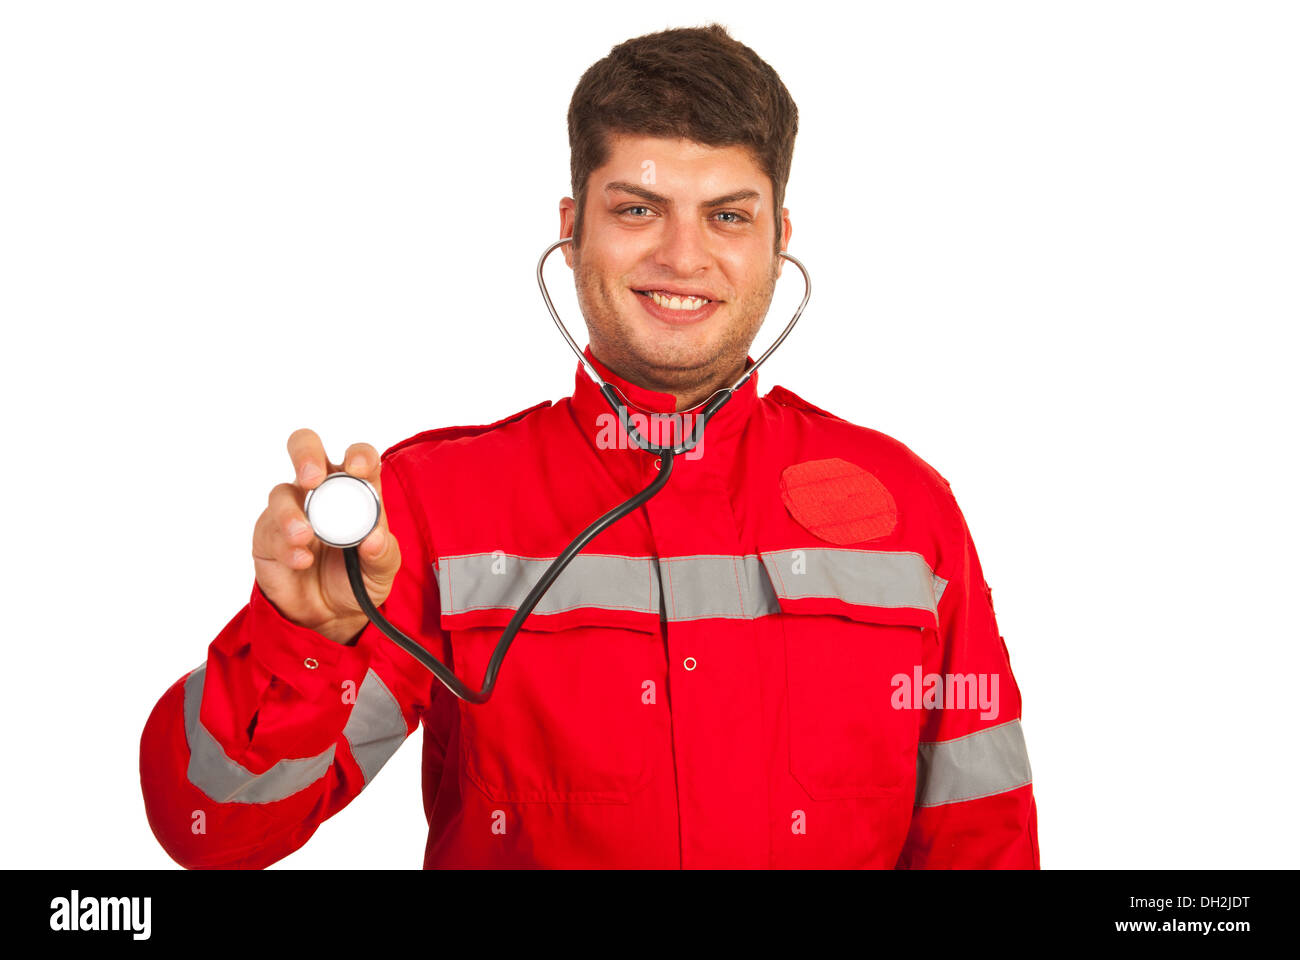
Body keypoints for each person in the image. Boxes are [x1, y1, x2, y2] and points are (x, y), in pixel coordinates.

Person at [139, 22, 1039, 869]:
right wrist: (301, 637)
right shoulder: (430, 508)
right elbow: (215, 829)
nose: (684, 257)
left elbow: (987, 846)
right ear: (571, 230)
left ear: (779, 238)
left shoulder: (906, 510)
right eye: (639, 209)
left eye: (728, 216)